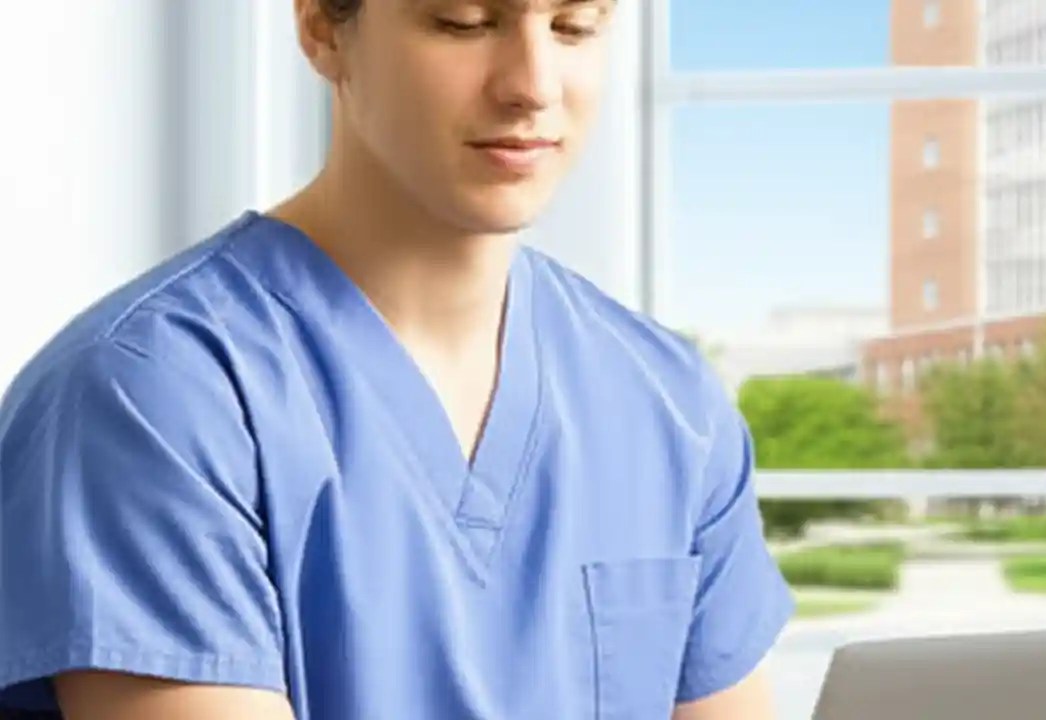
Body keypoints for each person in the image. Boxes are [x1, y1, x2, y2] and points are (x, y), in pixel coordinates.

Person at [0, 0, 795, 718]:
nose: (533, 86)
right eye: (464, 22)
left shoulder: (668, 399)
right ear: (322, 28)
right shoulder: (151, 394)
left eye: (573, 26)